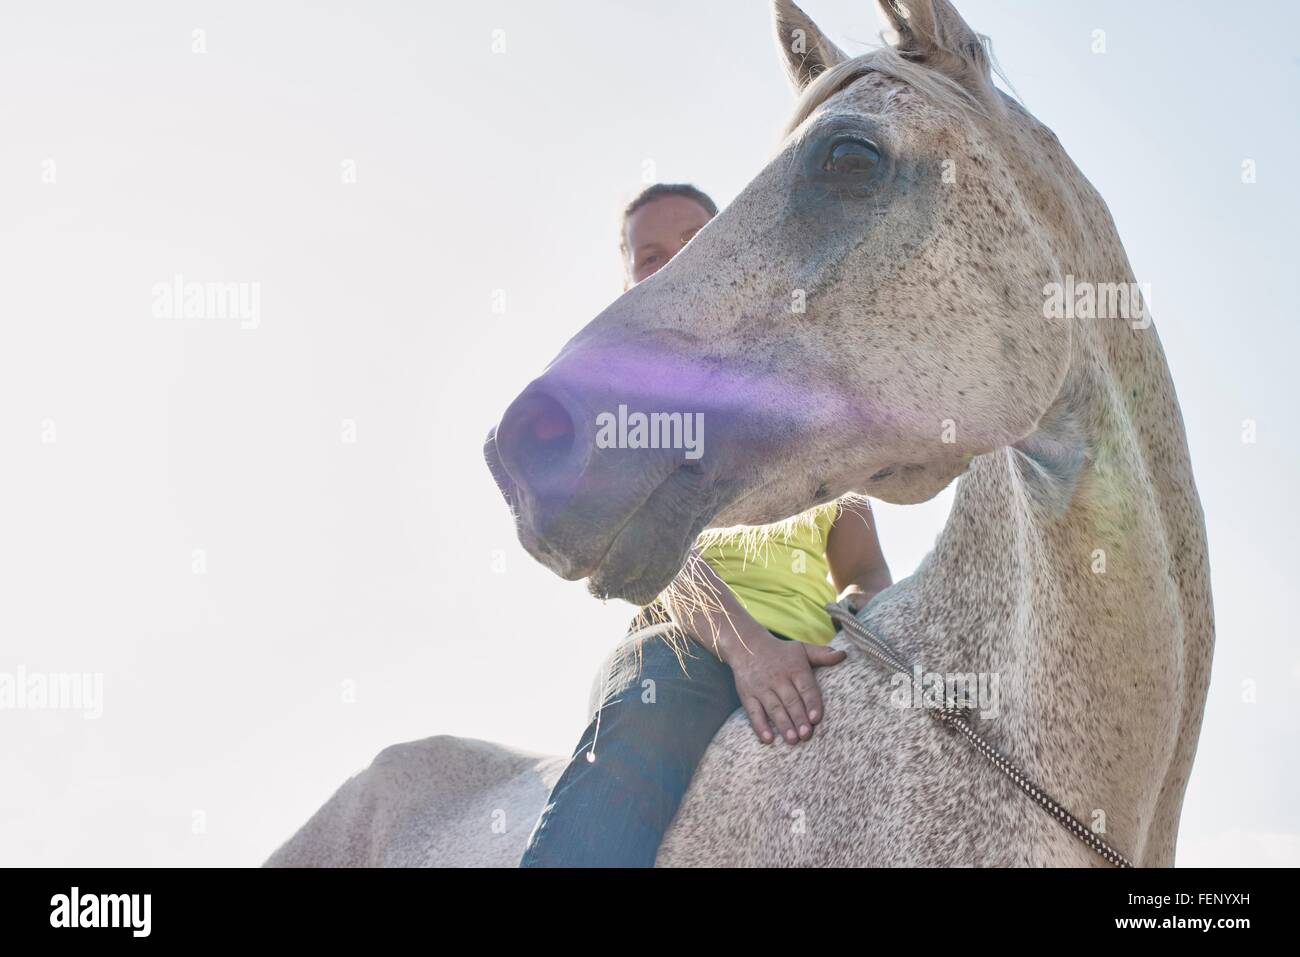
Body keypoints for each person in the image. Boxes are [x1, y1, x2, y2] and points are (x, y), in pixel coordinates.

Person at [519, 184, 893, 867]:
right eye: (650, 257)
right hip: (686, 646)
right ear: (630, 278)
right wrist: (750, 649)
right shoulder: (632, 401)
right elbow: (651, 553)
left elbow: (864, 568)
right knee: (647, 719)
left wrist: (863, 613)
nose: (671, 268)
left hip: (820, 648)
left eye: (692, 247)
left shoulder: (806, 401)